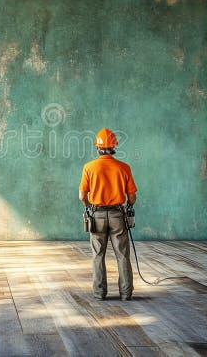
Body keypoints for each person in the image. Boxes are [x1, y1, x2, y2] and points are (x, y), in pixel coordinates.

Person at [78, 128, 138, 300]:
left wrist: (89, 206)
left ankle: (99, 293)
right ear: (114, 147)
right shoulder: (124, 167)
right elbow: (132, 197)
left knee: (98, 255)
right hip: (117, 216)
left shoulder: (89, 167)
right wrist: (127, 206)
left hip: (96, 216)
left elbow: (82, 196)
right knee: (122, 255)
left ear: (97, 148)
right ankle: (126, 294)